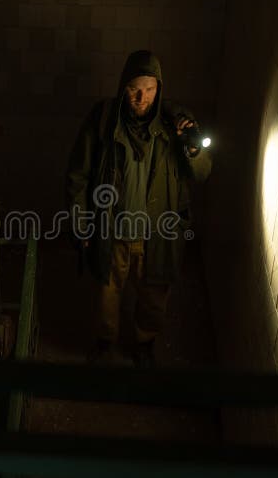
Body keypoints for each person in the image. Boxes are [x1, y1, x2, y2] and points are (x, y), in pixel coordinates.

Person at [64, 50, 212, 367]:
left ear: (159, 89)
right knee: (107, 293)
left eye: (149, 88)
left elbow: (201, 172)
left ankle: (145, 343)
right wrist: (80, 223)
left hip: (156, 235)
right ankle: (105, 342)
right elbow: (78, 175)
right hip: (112, 231)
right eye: (134, 88)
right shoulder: (103, 121)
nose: (141, 97)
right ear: (123, 88)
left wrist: (193, 147)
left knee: (154, 295)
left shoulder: (178, 127)